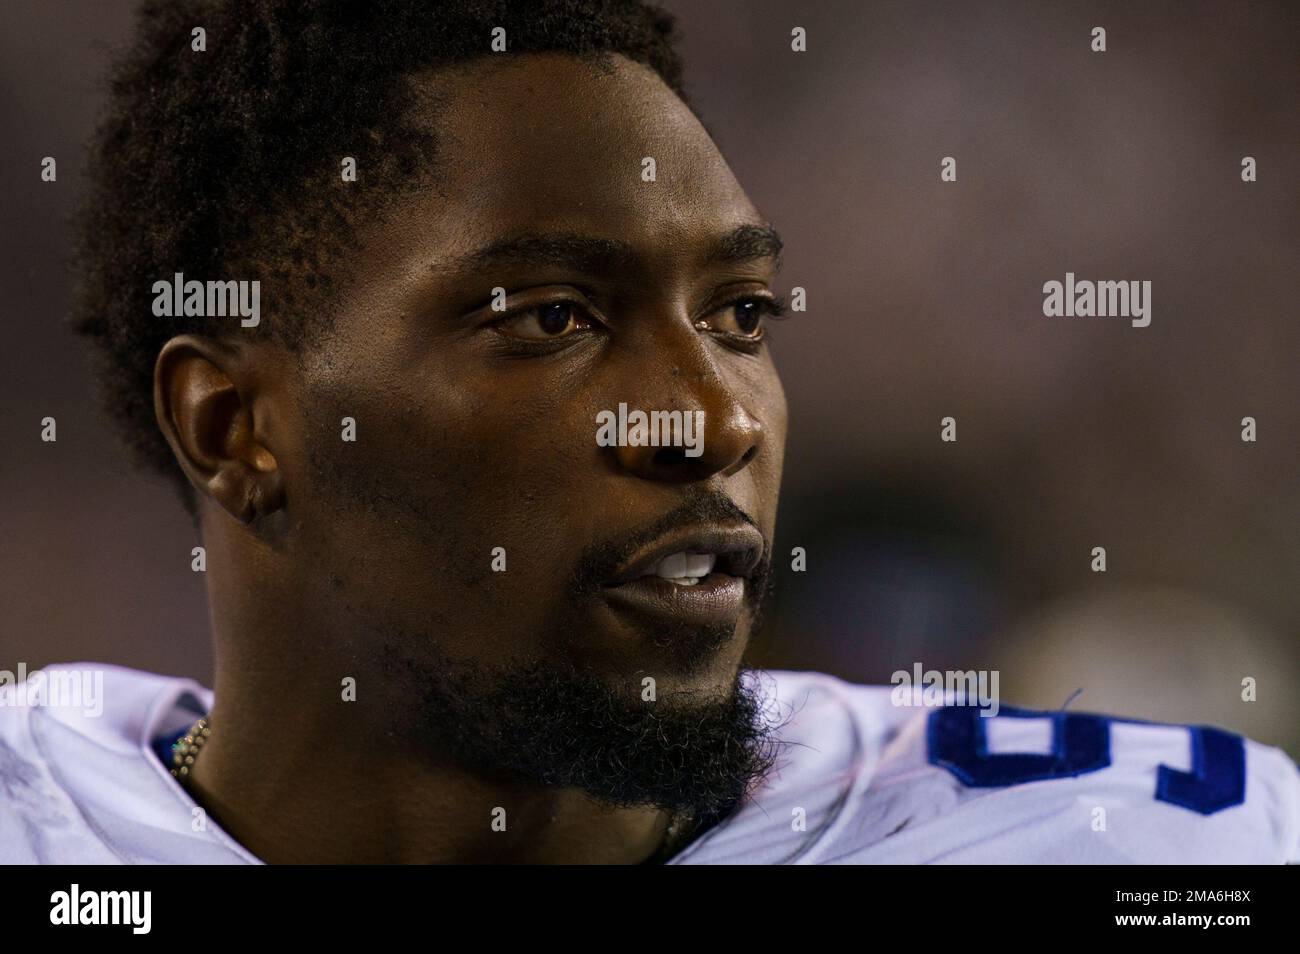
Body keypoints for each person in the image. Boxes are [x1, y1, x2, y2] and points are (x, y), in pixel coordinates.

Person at [2, 0, 1294, 864]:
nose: (715, 418)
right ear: (235, 426)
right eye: (553, 316)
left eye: (740, 313)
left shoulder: (1141, 842)